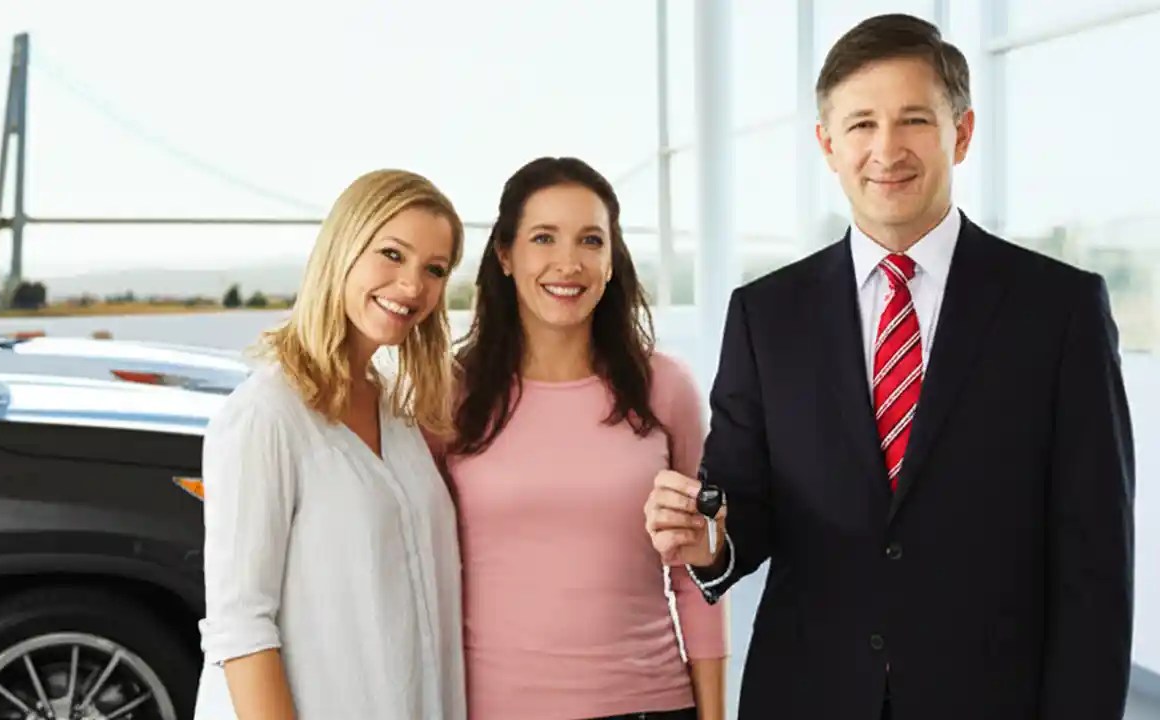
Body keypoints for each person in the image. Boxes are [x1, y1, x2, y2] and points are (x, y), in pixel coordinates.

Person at [644, 13, 1135, 720]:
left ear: (962, 133)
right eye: (861, 124)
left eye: (914, 120)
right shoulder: (766, 315)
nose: (886, 149)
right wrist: (710, 540)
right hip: (807, 696)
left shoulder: (1058, 310)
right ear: (828, 144)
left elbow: (1096, 559)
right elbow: (742, 499)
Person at [442, 156, 728, 720]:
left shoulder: (665, 388)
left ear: (611, 258)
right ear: (505, 255)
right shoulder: (450, 396)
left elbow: (696, 570)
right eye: (543, 238)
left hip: (649, 704)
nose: (568, 263)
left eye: (591, 240)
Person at [194, 169, 467, 719]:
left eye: (434, 269)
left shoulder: (398, 412)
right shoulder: (265, 416)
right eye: (392, 254)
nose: (412, 286)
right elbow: (240, 628)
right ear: (344, 248)